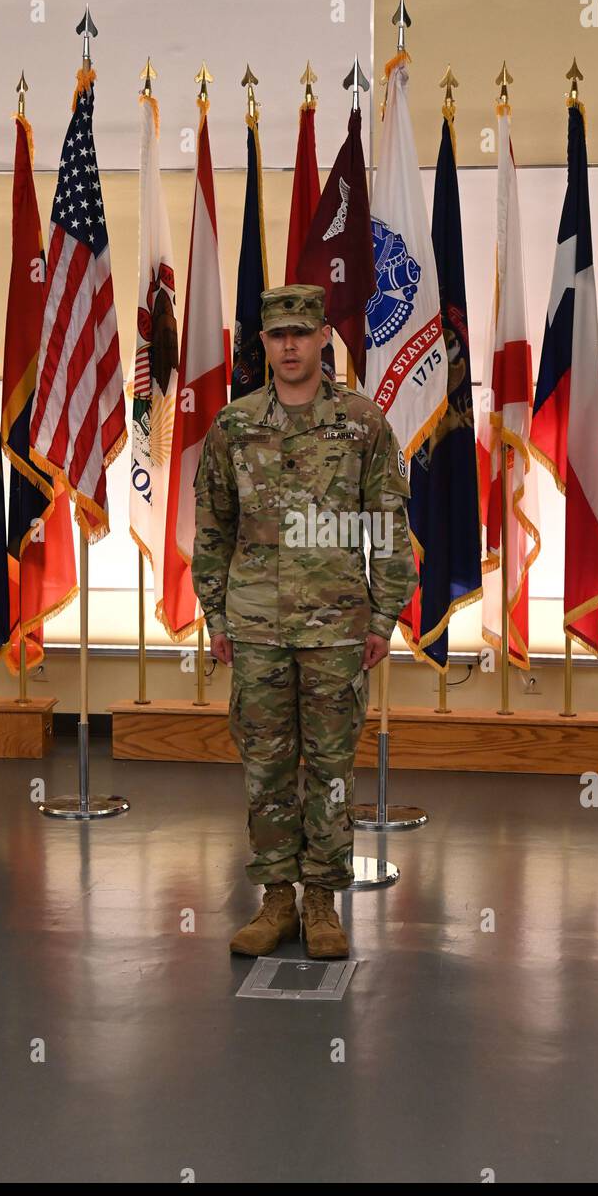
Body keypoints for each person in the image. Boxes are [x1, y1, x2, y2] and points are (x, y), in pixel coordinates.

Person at [192, 284, 418, 959]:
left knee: (329, 767)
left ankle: (322, 902)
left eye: (300, 332)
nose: (288, 345)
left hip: (337, 629)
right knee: (264, 767)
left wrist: (384, 614)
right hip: (256, 624)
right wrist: (214, 612)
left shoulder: (361, 423)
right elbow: (212, 526)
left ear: (324, 337)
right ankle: (276, 900)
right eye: (276, 334)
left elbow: (388, 525)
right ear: (261, 342)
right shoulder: (233, 426)